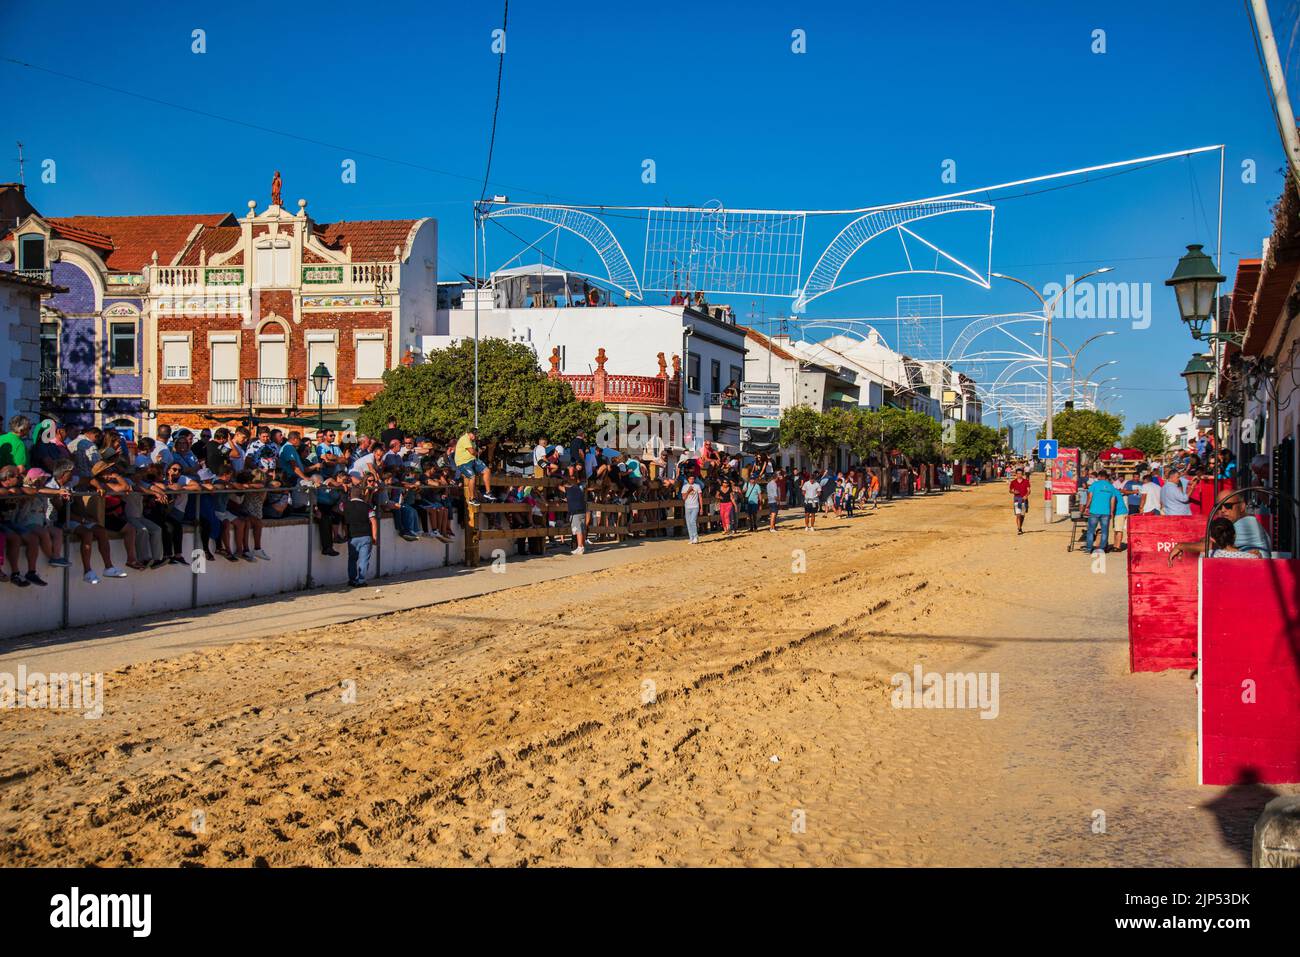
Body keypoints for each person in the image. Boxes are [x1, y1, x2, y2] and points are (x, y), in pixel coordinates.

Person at [343, 478, 378, 587]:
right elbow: (373, 521)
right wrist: (375, 537)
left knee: (352, 559)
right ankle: (361, 580)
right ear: (361, 495)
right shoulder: (368, 507)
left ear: (351, 495)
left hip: (352, 536)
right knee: (364, 560)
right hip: (365, 536)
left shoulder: (345, 505)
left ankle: (352, 580)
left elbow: (337, 510)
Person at [1083, 469, 1121, 556]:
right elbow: (1113, 500)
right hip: (1106, 512)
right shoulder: (1111, 486)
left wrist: (1087, 507)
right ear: (1106, 477)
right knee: (1105, 531)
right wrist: (1111, 511)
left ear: (1099, 476)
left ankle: (1089, 548)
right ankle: (1102, 548)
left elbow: (1090, 496)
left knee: (1091, 530)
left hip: (1094, 511)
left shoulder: (1095, 484)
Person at [454, 429, 495, 503]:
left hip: (472, 460)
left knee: (487, 471)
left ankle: (488, 493)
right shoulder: (465, 438)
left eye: (476, 435)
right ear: (470, 433)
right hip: (463, 462)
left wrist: (479, 451)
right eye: (474, 435)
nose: (475, 437)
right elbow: (472, 452)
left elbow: (474, 452)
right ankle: (471, 498)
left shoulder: (472, 441)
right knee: (472, 477)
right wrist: (478, 452)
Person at [562, 465, 588, 555]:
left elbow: (560, 486)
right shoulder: (579, 487)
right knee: (581, 529)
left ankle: (580, 546)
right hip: (581, 509)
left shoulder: (570, 488)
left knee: (578, 529)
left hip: (577, 511)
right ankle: (581, 546)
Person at [682, 472, 703, 544]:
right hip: (687, 507)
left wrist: (701, 508)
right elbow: (683, 498)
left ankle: (696, 536)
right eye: (690, 479)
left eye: (693, 479)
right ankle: (691, 538)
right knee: (688, 523)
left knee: (692, 521)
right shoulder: (684, 487)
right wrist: (688, 491)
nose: (692, 480)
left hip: (695, 506)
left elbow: (700, 497)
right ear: (688, 479)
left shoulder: (697, 486)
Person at [1008, 467, 1030, 535]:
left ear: (1022, 474)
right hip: (1017, 500)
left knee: (1022, 515)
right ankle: (1019, 529)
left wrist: (1026, 496)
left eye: (1020, 474)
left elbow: (1029, 490)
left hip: (1024, 500)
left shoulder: (1026, 481)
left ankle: (1020, 527)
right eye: (1018, 474)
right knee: (1018, 515)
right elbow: (1010, 490)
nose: (1019, 475)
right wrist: (1014, 491)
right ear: (1016, 474)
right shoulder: (1013, 482)